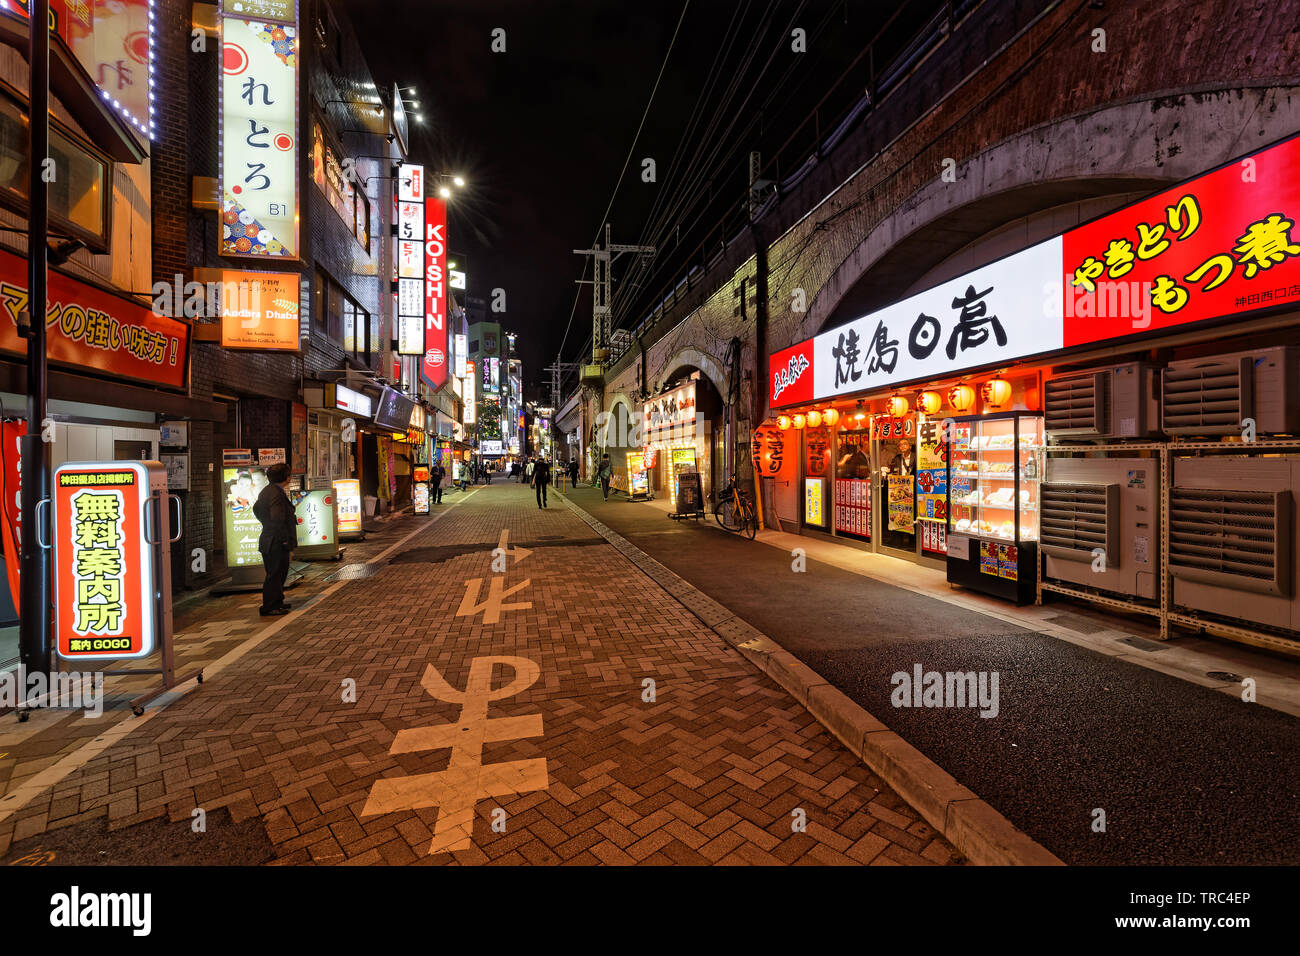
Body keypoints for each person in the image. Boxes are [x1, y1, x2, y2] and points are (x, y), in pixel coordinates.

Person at [253, 463, 295, 617]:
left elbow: (256, 509)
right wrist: (284, 539)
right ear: (285, 477)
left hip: (270, 538)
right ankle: (270, 606)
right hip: (276, 540)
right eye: (289, 474)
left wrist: (265, 523)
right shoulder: (276, 493)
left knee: (278, 573)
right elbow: (278, 518)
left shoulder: (268, 490)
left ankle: (277, 602)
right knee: (275, 574)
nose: (290, 477)